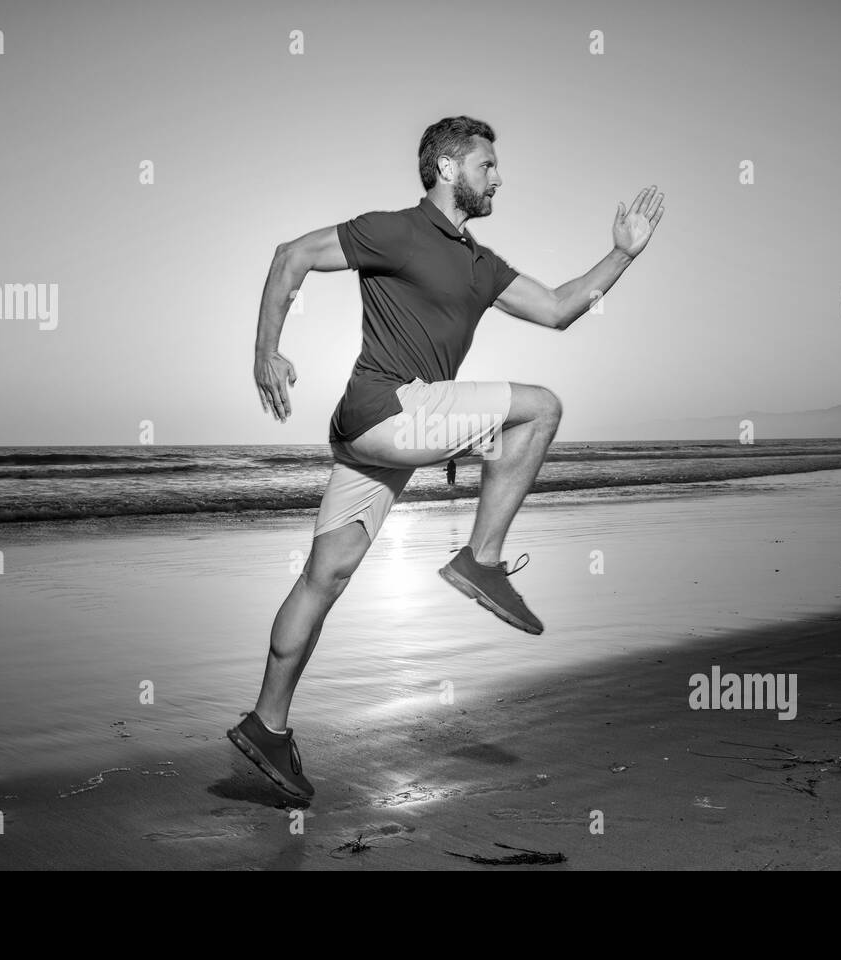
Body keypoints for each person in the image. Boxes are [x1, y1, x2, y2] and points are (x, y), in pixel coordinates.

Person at [233, 116, 665, 799]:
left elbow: (558, 308)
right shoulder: (395, 230)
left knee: (325, 577)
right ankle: (480, 560)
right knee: (542, 407)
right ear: (446, 170)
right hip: (391, 409)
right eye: (487, 164)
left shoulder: (480, 263)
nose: (499, 177)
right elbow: (291, 255)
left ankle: (267, 726)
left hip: (373, 435)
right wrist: (265, 351)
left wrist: (623, 255)